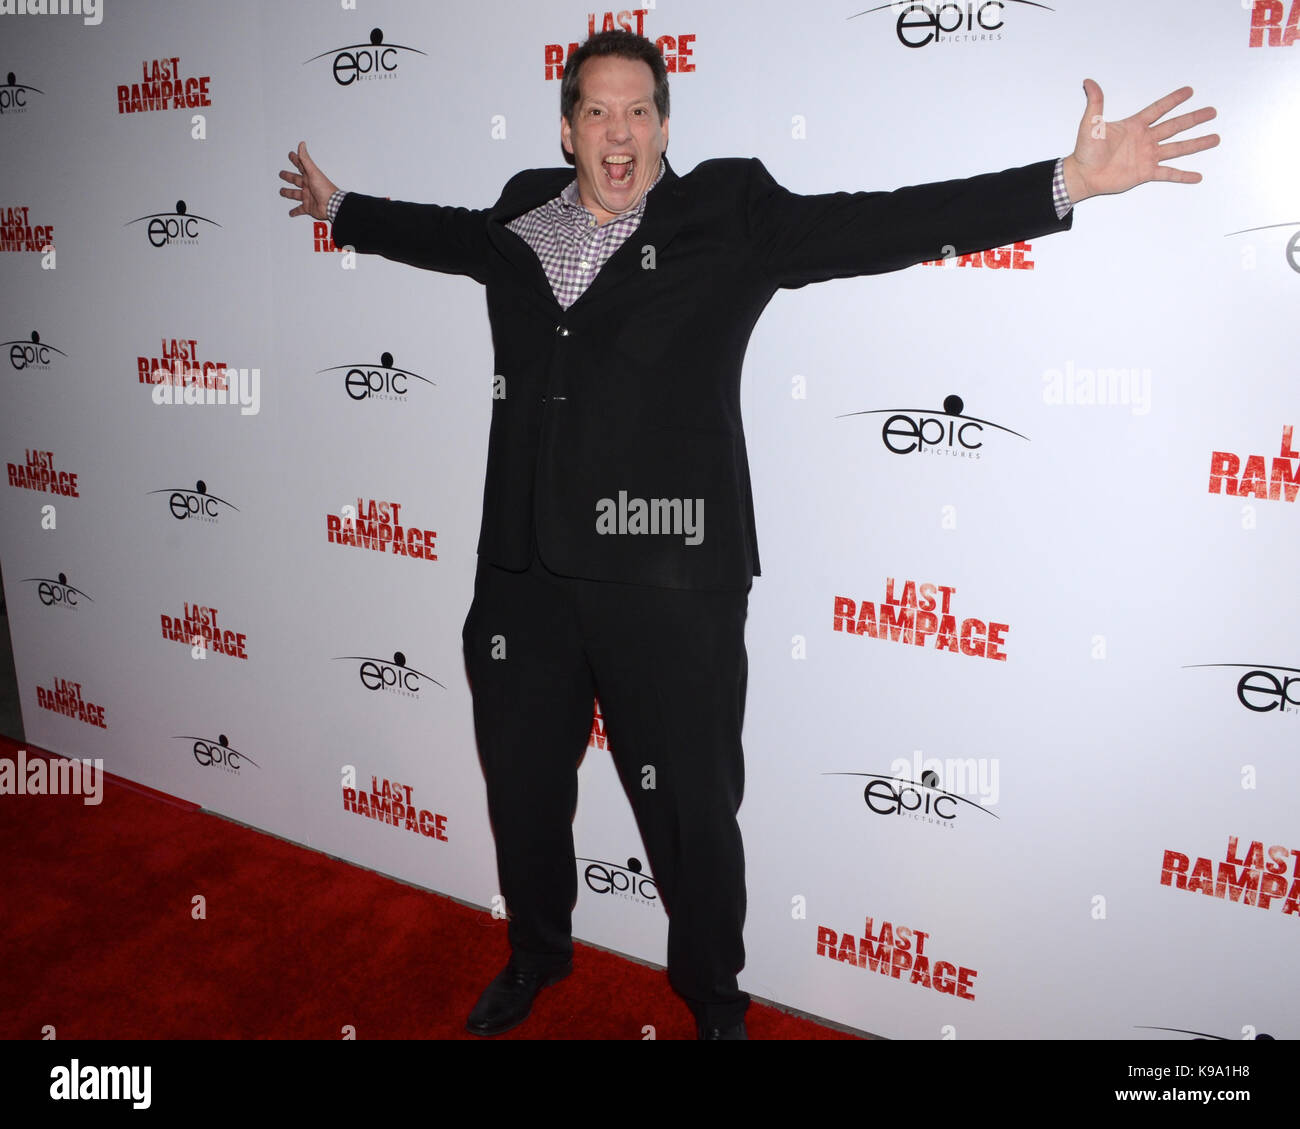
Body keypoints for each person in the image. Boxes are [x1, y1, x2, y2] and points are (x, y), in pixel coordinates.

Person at [279, 30, 1218, 1040]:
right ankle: (538, 953)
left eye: (638, 109)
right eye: (597, 110)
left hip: (670, 578)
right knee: (523, 788)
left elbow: (881, 224)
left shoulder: (727, 214)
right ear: (566, 129)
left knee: (690, 811)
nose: (618, 130)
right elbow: (445, 232)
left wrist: (1063, 182)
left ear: (665, 126)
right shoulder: (519, 212)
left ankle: (714, 1002)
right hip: (521, 576)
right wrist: (344, 211)